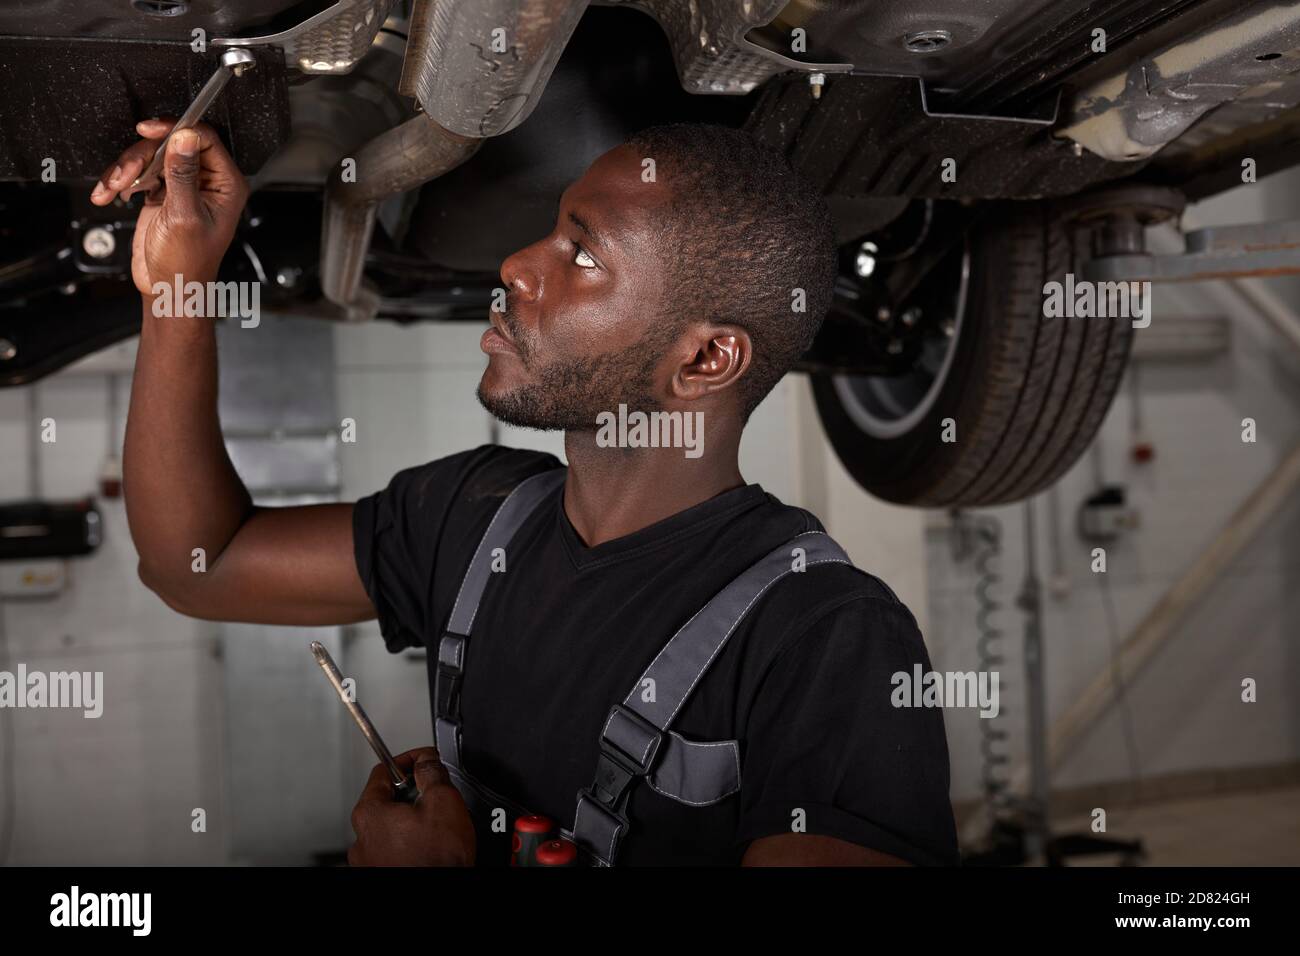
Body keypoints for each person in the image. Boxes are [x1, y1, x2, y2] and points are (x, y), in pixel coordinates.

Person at [94, 117, 960, 866]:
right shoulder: (477, 515)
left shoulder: (828, 638)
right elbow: (197, 565)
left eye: (581, 253)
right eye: (551, 231)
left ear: (703, 361)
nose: (515, 264)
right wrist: (178, 287)